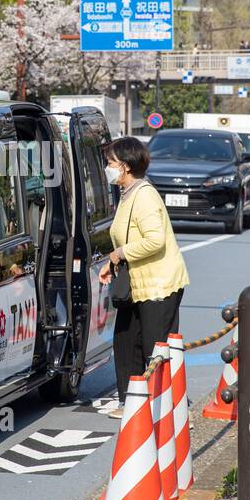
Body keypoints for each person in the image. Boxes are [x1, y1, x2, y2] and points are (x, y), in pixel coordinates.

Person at [98, 136, 190, 419]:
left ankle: (169, 411)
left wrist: (119, 254)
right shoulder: (128, 193)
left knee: (154, 347)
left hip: (158, 285)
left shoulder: (144, 196)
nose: (107, 168)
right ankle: (133, 403)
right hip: (137, 284)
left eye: (111, 162)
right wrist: (112, 262)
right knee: (126, 341)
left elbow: (155, 240)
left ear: (125, 166)